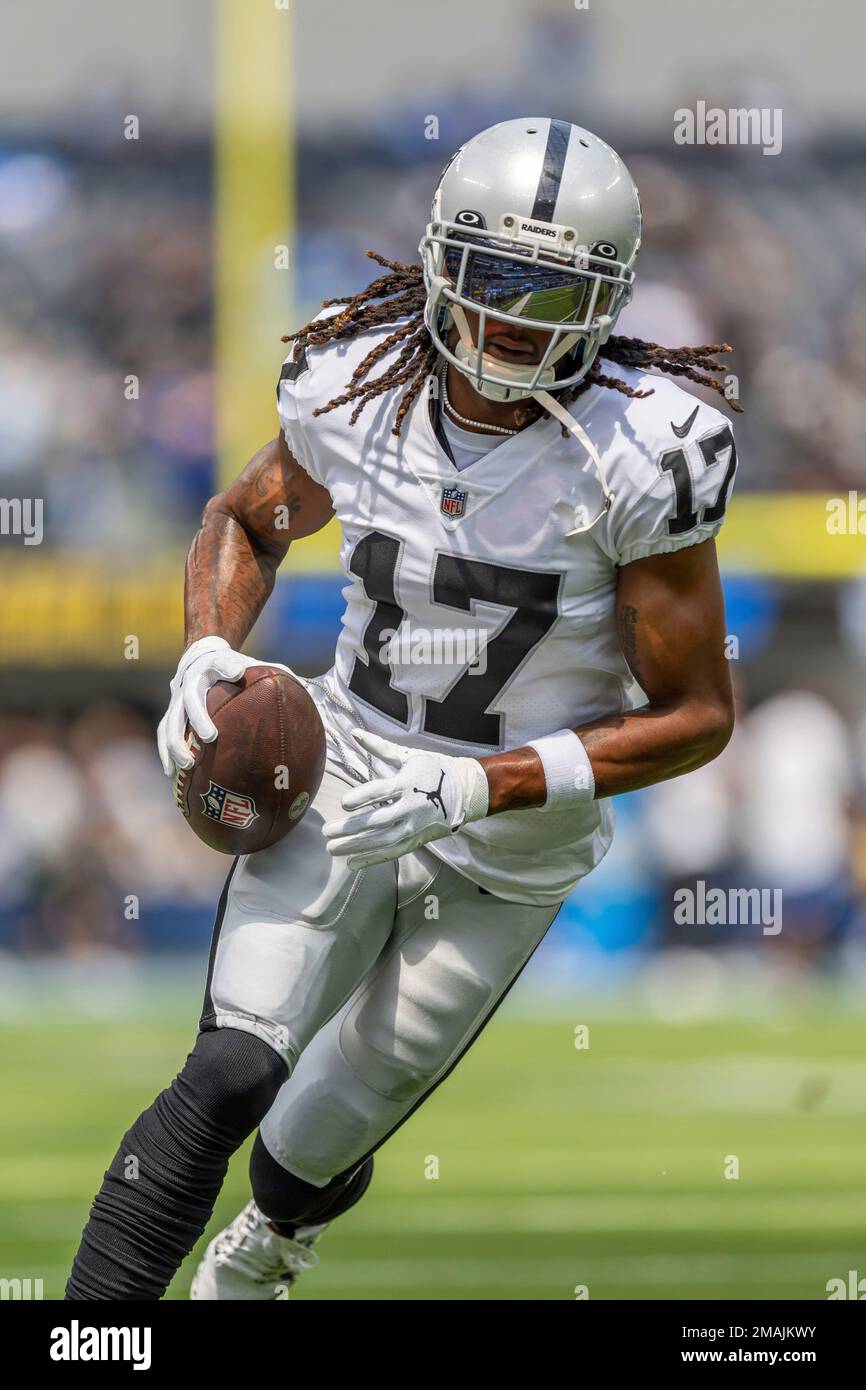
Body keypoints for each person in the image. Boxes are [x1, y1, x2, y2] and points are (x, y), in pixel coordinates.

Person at [67, 118, 738, 1300]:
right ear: (437, 261)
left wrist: (483, 780)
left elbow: (694, 715)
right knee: (228, 1072)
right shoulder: (352, 381)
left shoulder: (644, 449)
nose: (510, 322)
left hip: (509, 847)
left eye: (552, 292)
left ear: (610, 300)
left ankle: (268, 1246)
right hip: (349, 766)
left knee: (305, 1152)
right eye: (491, 278)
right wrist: (205, 651)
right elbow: (243, 519)